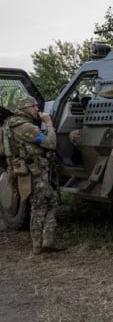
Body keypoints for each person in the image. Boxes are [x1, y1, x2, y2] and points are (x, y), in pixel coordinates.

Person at [4, 96, 59, 254]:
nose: (36, 109)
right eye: (33, 106)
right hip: (35, 171)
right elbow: (50, 143)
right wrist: (49, 124)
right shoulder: (25, 127)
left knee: (45, 203)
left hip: (24, 171)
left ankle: (46, 241)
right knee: (41, 205)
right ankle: (39, 245)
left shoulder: (9, 124)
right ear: (25, 109)